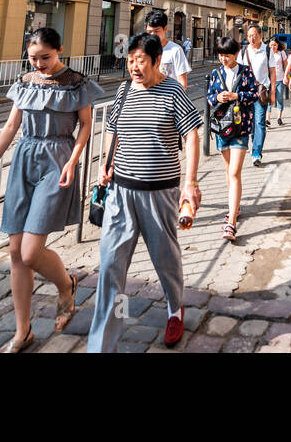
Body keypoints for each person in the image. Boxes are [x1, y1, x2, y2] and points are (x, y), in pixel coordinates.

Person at [0, 28, 102, 352]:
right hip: (24, 162)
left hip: (57, 162)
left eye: (45, 57)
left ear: (60, 50)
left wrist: (72, 162)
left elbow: (85, 124)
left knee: (30, 252)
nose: (39, 64)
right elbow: (11, 126)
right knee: (16, 254)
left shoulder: (76, 83)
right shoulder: (25, 82)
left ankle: (66, 285)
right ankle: (23, 332)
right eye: (33, 58)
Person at [88, 33, 203, 352]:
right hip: (121, 191)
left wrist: (190, 182)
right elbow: (112, 128)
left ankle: (175, 308)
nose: (134, 67)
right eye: (130, 61)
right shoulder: (124, 90)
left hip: (159, 192)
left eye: (140, 61)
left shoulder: (173, 92)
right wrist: (104, 164)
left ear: (156, 62)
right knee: (111, 264)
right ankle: (103, 342)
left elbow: (192, 137)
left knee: (165, 260)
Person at [206, 36, 258, 241]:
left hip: (241, 126)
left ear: (235, 54)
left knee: (235, 172)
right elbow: (209, 97)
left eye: (227, 55)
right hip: (221, 127)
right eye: (220, 55)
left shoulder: (245, 72)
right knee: (228, 171)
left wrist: (238, 96)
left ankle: (231, 223)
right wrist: (217, 98)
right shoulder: (215, 73)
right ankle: (234, 206)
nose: (223, 59)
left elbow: (254, 94)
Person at [236, 25, 275, 167]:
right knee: (250, 123)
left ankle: (256, 153)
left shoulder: (267, 51)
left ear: (260, 36)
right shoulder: (243, 51)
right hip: (246, 93)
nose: (251, 38)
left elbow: (273, 73)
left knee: (259, 122)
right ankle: (254, 144)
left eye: (254, 35)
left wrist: (273, 94)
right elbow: (238, 73)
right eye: (249, 35)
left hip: (261, 92)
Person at [146, 9, 190, 88]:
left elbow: (183, 83)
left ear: (165, 29)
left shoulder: (176, 50)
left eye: (156, 31)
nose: (153, 35)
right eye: (149, 32)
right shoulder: (144, 50)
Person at [270, 40, 289, 124]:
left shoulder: (281, 53)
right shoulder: (267, 53)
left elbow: (286, 65)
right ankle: (267, 119)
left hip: (280, 79)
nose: (272, 47)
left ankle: (279, 117)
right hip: (269, 80)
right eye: (271, 45)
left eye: (274, 45)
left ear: (277, 45)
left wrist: (286, 76)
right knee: (268, 99)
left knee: (280, 98)